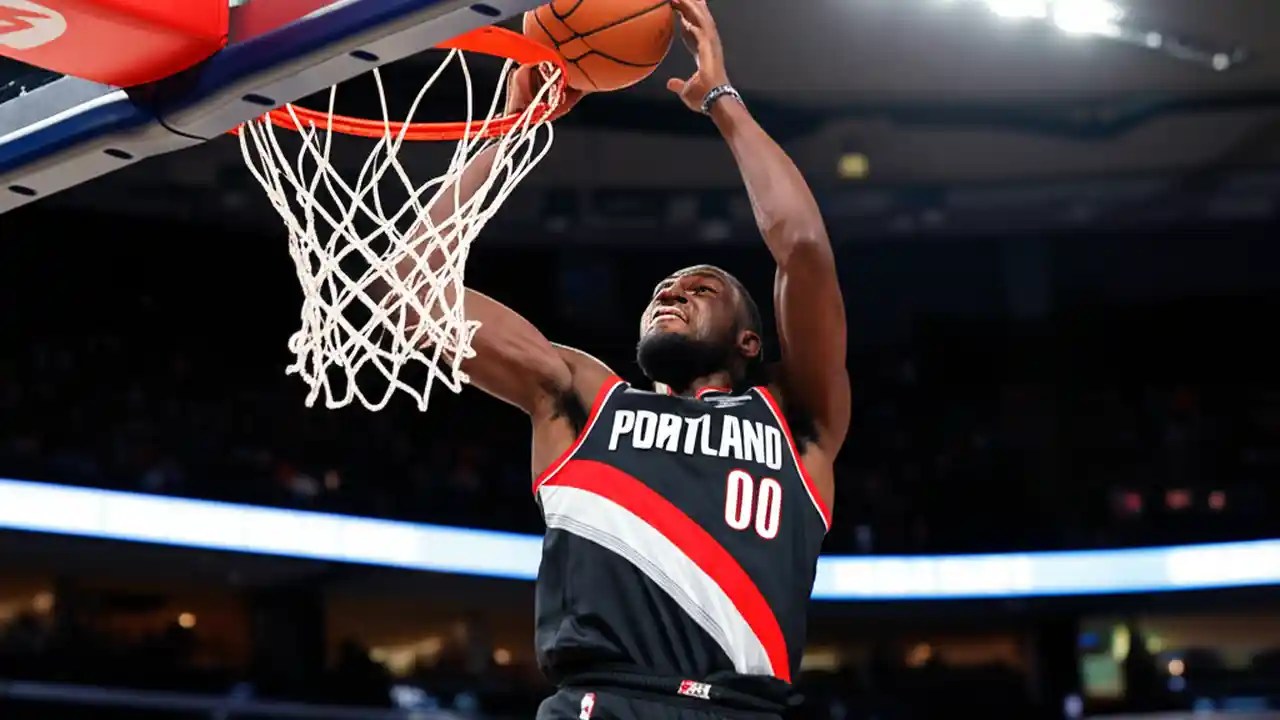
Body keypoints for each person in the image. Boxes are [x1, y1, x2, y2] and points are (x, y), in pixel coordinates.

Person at [412, 0, 848, 716]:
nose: (671, 292)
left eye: (700, 289)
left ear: (750, 340)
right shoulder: (584, 396)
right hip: (601, 702)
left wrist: (721, 100)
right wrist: (514, 135)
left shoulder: (795, 419)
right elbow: (411, 290)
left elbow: (801, 248)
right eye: (661, 290)